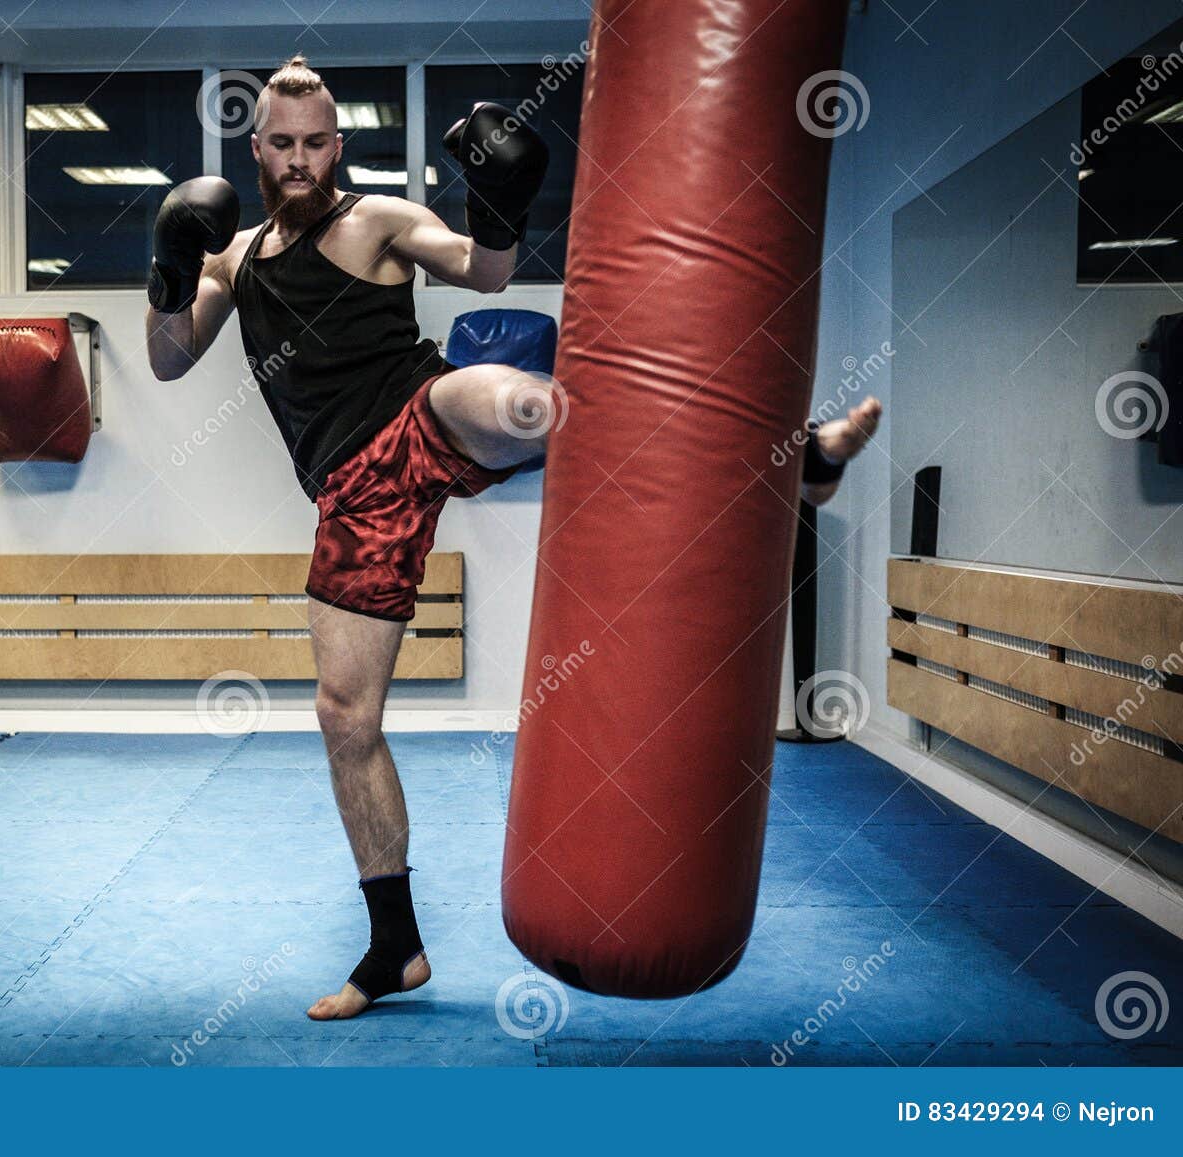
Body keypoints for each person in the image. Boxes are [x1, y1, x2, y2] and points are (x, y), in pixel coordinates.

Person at [144, 55, 882, 1020]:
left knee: (535, 405)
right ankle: (394, 947)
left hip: (421, 409)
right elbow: (167, 359)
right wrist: (166, 267)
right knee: (344, 717)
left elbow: (484, 271)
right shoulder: (232, 257)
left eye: (315, 141)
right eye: (280, 145)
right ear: (256, 148)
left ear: (338, 142)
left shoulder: (377, 220)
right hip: (348, 494)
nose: (298, 160)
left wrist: (498, 199)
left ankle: (793, 462)